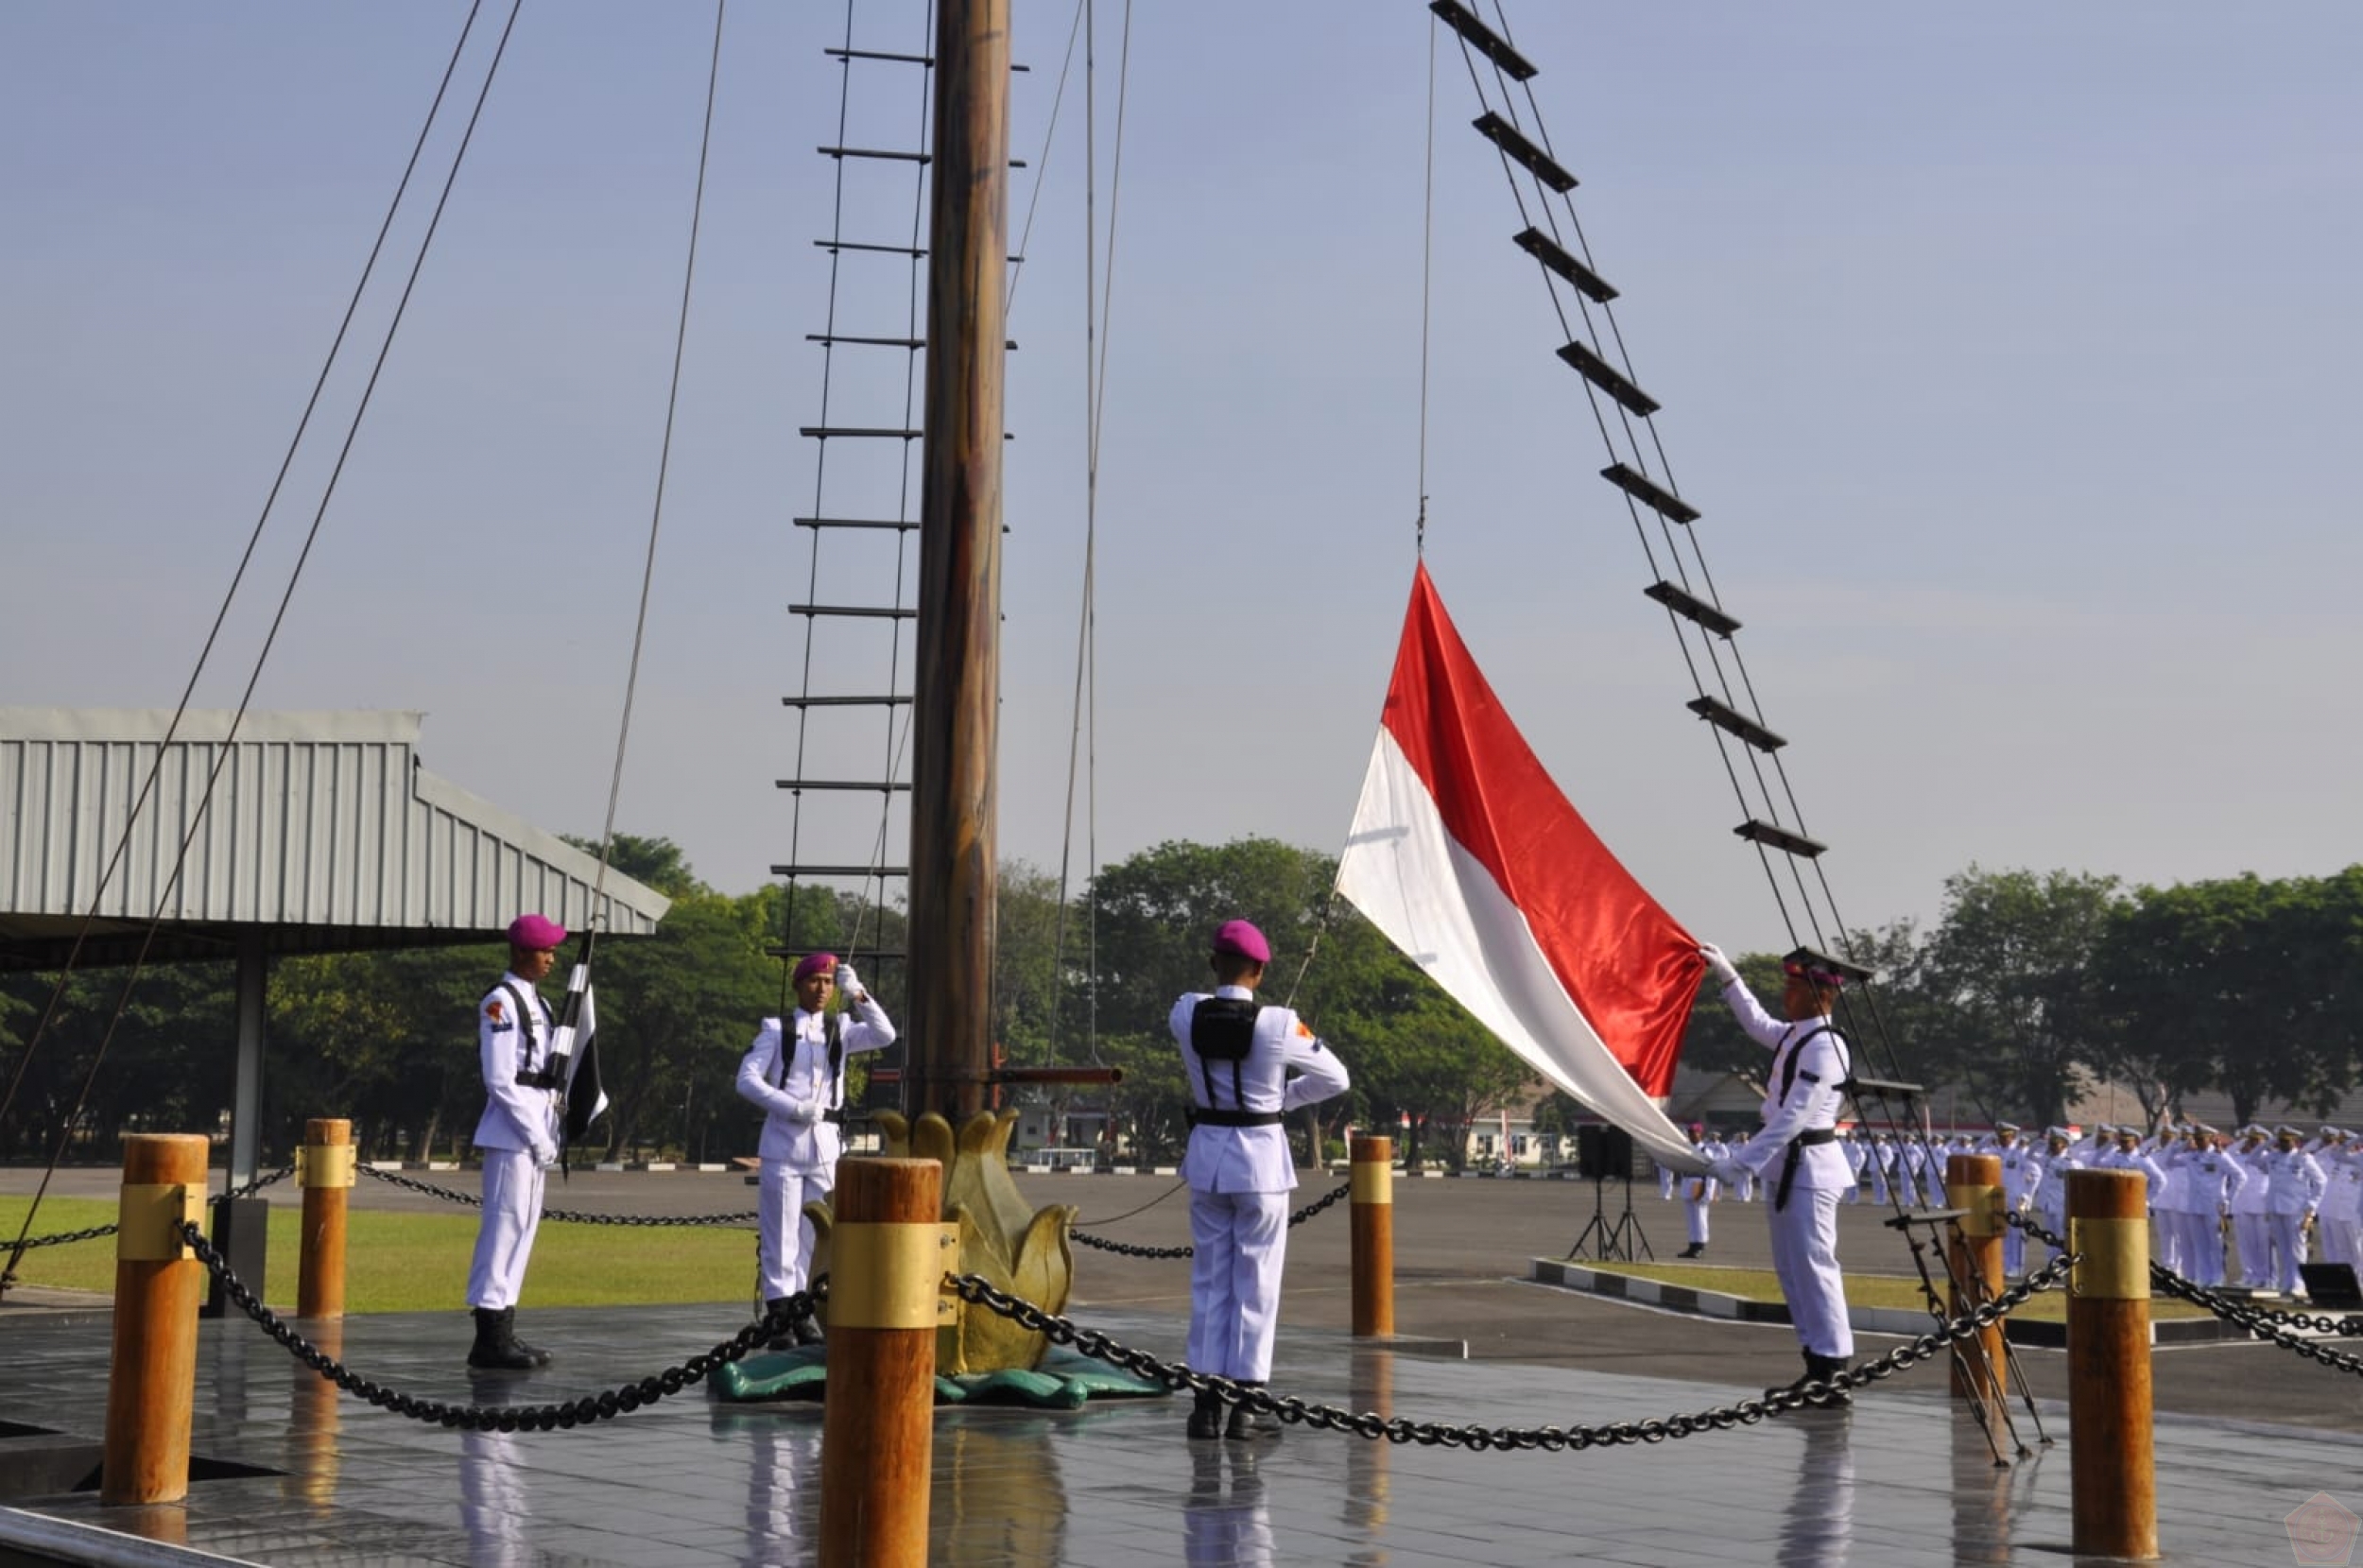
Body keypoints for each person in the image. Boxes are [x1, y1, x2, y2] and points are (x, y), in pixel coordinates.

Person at [1171, 919, 1352, 1440]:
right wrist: (1281, 1101)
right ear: (1261, 969)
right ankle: (1246, 1406)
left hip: (1207, 1159)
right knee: (1257, 1283)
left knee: (1210, 1279)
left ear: (1214, 965)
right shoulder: (1279, 1024)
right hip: (1261, 1164)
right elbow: (1336, 1078)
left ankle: (1204, 1406)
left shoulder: (1185, 1013)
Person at [1699, 941, 1858, 1405]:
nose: (1786, 994)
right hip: (1787, 1167)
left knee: (1815, 1268)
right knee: (1792, 1270)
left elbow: (1794, 1117)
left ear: (1819, 993)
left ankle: (1832, 1368)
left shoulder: (1825, 1046)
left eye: (1794, 986)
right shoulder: (1798, 1035)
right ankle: (1815, 1361)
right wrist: (1729, 977)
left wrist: (1741, 1163)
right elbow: (1757, 1024)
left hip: (1808, 1168)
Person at [736, 952, 897, 1345]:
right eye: (815, 981)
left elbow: (885, 1035)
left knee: (813, 1234)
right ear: (799, 985)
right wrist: (792, 1107)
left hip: (824, 1146)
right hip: (785, 1144)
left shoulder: (841, 1028)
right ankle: (779, 1315)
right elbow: (747, 1080)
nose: (822, 988)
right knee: (780, 1234)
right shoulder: (777, 1030)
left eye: (828, 982)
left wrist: (856, 991)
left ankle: (802, 1313)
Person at [466, 913, 568, 1370]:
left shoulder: (539, 1004)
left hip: (536, 1130)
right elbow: (501, 1080)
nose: (552, 958)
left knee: (523, 1231)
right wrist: (535, 1132)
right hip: (513, 1134)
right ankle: (488, 1334)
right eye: (545, 950)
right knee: (503, 1229)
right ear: (522, 952)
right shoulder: (500, 1002)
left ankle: (505, 1326)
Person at [1677, 1122, 1720, 1258]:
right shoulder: (1688, 1149)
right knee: (1691, 1218)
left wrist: (1707, 1193)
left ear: (1700, 1133)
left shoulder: (1705, 1151)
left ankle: (1700, 1245)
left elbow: (1711, 1173)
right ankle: (1692, 1244)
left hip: (1700, 1184)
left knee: (1700, 1217)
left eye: (1693, 1132)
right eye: (1689, 1132)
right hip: (1688, 1184)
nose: (1691, 1135)